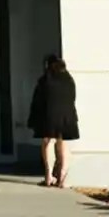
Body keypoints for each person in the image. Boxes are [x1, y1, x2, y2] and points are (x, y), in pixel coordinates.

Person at [27, 54, 79, 188]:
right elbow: (73, 98)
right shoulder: (69, 80)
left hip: (48, 115)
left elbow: (37, 101)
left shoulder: (45, 80)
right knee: (63, 143)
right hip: (67, 116)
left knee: (47, 142)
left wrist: (33, 119)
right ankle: (62, 177)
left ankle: (48, 175)